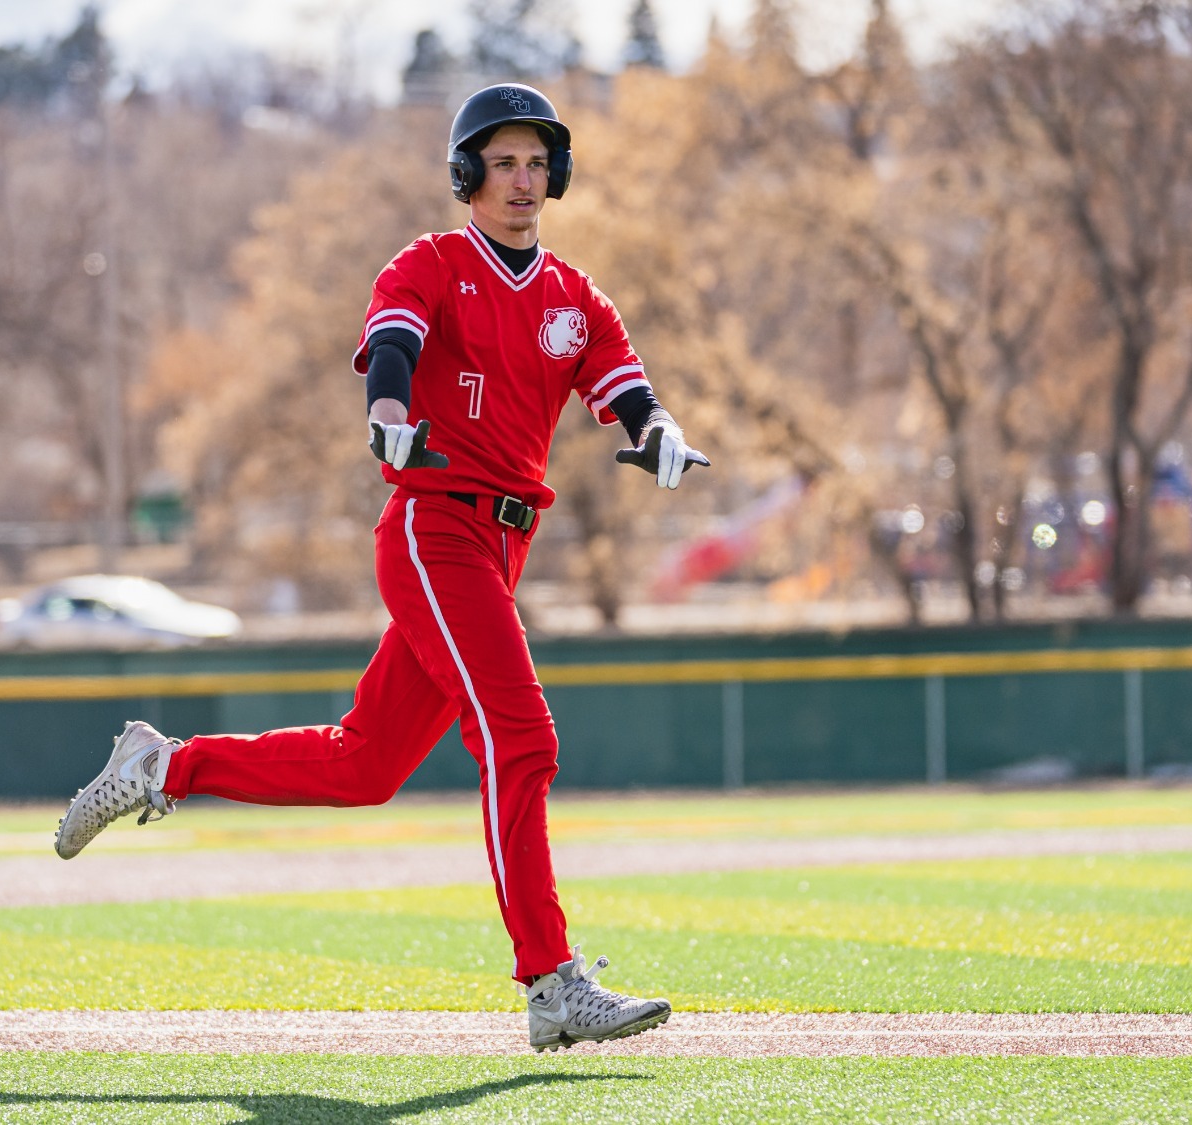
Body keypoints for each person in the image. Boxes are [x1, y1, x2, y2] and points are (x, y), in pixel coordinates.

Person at [53, 83, 709, 1053]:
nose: (522, 179)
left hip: (501, 545)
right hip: (434, 529)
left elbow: (629, 393)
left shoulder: (575, 299)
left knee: (364, 765)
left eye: (537, 162)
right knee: (521, 739)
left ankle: (159, 765)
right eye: (503, 161)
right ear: (466, 175)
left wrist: (658, 435)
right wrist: (391, 414)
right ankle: (549, 982)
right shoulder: (434, 264)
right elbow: (391, 344)